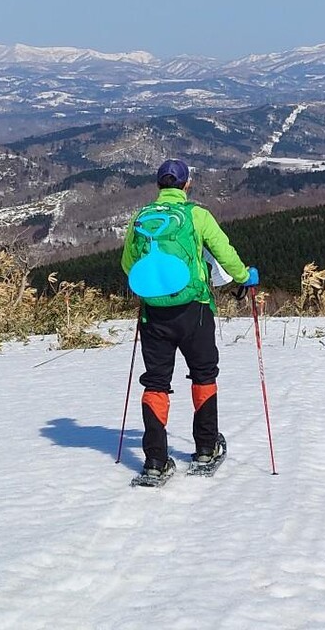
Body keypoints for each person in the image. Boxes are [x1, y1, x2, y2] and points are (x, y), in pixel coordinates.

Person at [121, 158, 255, 482]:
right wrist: (244, 277)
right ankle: (206, 449)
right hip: (194, 309)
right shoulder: (197, 215)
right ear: (187, 184)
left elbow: (128, 265)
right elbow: (224, 252)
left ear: (158, 185)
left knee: (156, 382)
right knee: (203, 374)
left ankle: (155, 462)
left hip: (154, 314)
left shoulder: (140, 217)